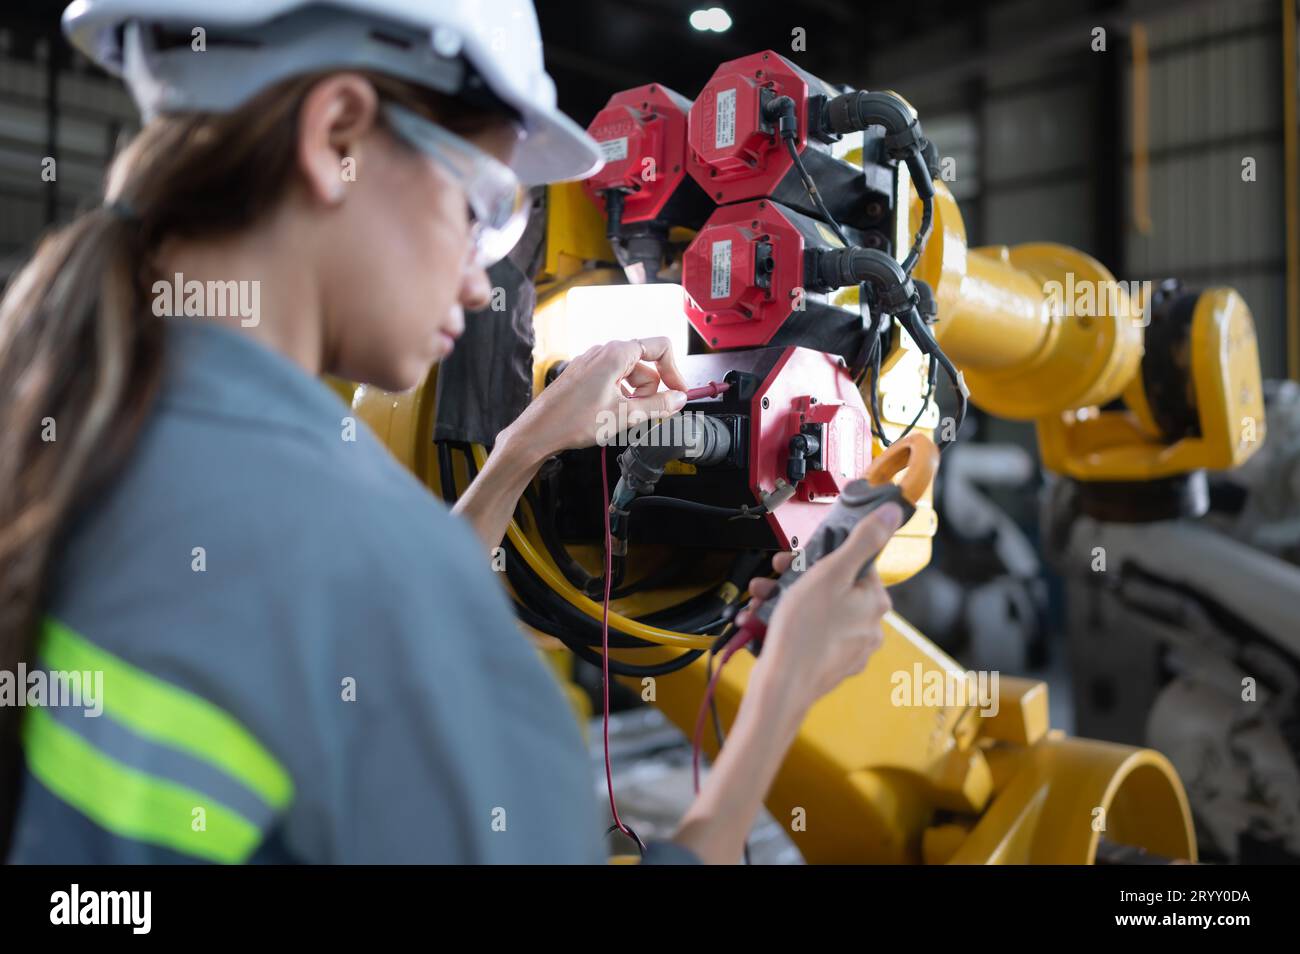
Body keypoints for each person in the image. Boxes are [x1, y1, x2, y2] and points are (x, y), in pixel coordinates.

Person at [0, 0, 903, 864]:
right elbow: (371, 611)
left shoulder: (74, 444)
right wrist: (783, 689)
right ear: (337, 137)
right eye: (486, 208)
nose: (480, 284)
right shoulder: (381, 577)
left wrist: (523, 450)